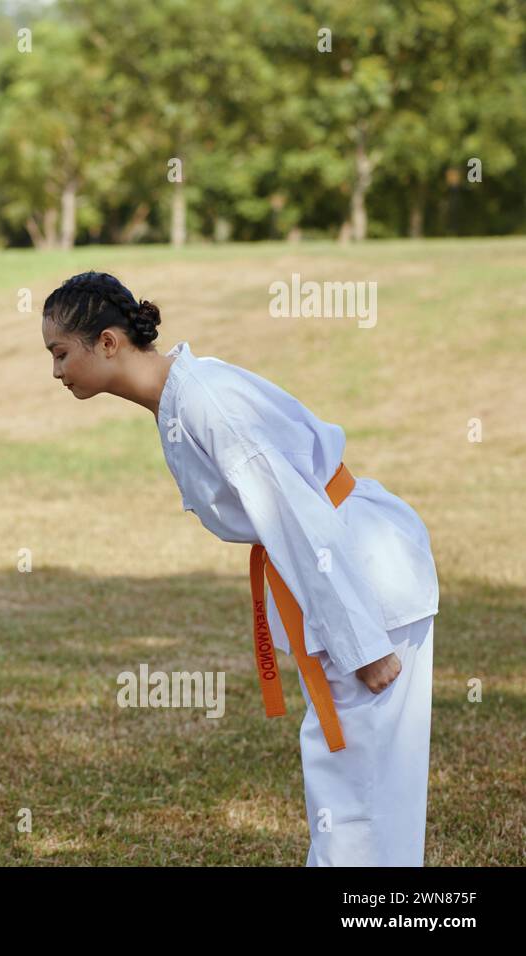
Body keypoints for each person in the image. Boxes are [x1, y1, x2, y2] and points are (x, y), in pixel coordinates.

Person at [41, 270, 439, 866]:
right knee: (354, 774)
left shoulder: (205, 400)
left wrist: (363, 642)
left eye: (60, 353)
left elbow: (296, 516)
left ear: (107, 342)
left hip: (360, 570)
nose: (55, 372)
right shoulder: (181, 395)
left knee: (363, 781)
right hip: (341, 569)